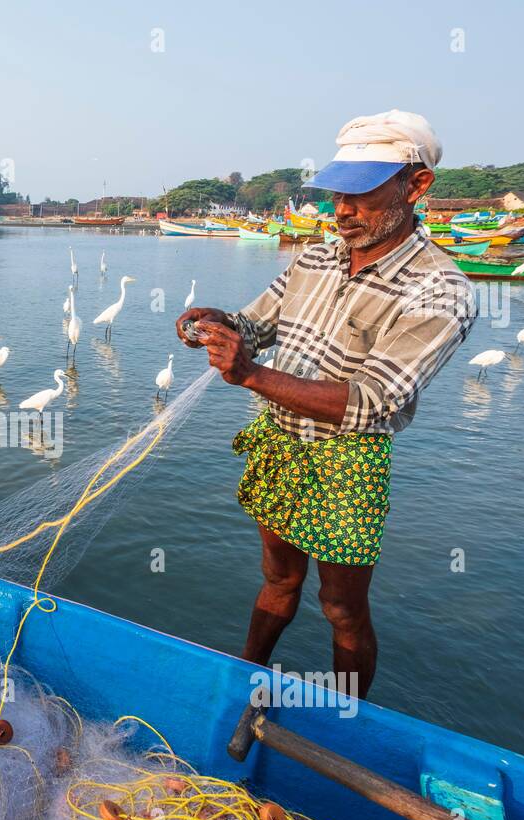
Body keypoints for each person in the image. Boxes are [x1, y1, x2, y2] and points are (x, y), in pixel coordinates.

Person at [176, 110, 476, 697]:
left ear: (415, 186)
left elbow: (375, 403)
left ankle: (348, 720)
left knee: (340, 606)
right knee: (277, 580)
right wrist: (216, 323)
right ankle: (246, 678)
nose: (342, 210)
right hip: (279, 444)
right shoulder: (315, 258)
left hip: (346, 463)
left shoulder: (441, 290)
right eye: (339, 193)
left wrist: (250, 373)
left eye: (362, 195)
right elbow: (255, 325)